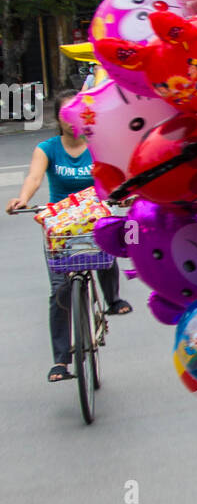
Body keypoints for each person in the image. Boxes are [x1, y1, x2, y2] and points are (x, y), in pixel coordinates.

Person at [5, 89, 132, 381]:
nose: (71, 121)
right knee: (59, 292)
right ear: (59, 120)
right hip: (61, 224)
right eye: (66, 116)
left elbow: (116, 176)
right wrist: (22, 199)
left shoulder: (98, 144)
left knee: (106, 240)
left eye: (76, 114)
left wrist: (123, 196)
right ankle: (61, 361)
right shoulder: (47, 149)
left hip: (95, 213)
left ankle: (113, 300)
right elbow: (34, 178)